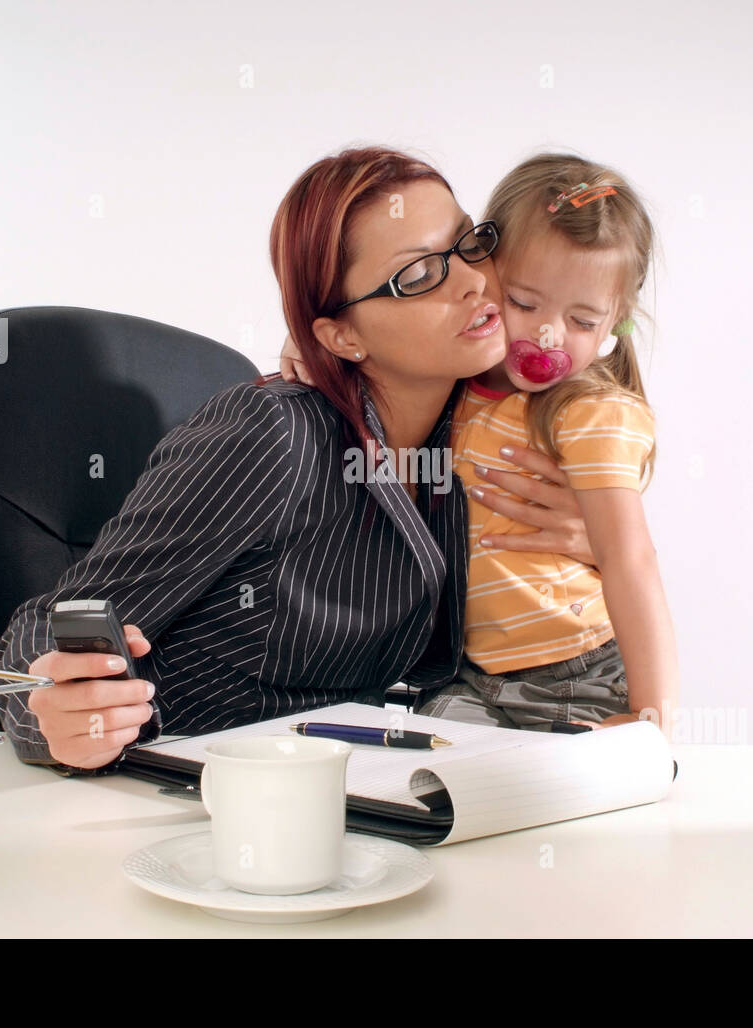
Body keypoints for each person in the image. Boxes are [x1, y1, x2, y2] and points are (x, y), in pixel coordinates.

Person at [0, 146, 597, 774]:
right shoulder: (275, 434)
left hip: (361, 787)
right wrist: (50, 712)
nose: (474, 281)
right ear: (341, 335)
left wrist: (594, 541)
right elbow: (38, 633)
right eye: (418, 274)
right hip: (191, 797)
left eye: (471, 244)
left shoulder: (480, 433)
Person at [282, 152, 678, 734]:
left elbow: (631, 560)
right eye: (523, 302)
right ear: (489, 269)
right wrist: (309, 349)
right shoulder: (454, 382)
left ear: (617, 323)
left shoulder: (589, 412)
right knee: (424, 778)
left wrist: (653, 720)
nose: (548, 334)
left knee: (559, 797)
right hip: (469, 674)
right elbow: (371, 346)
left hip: (575, 672)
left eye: (584, 320)